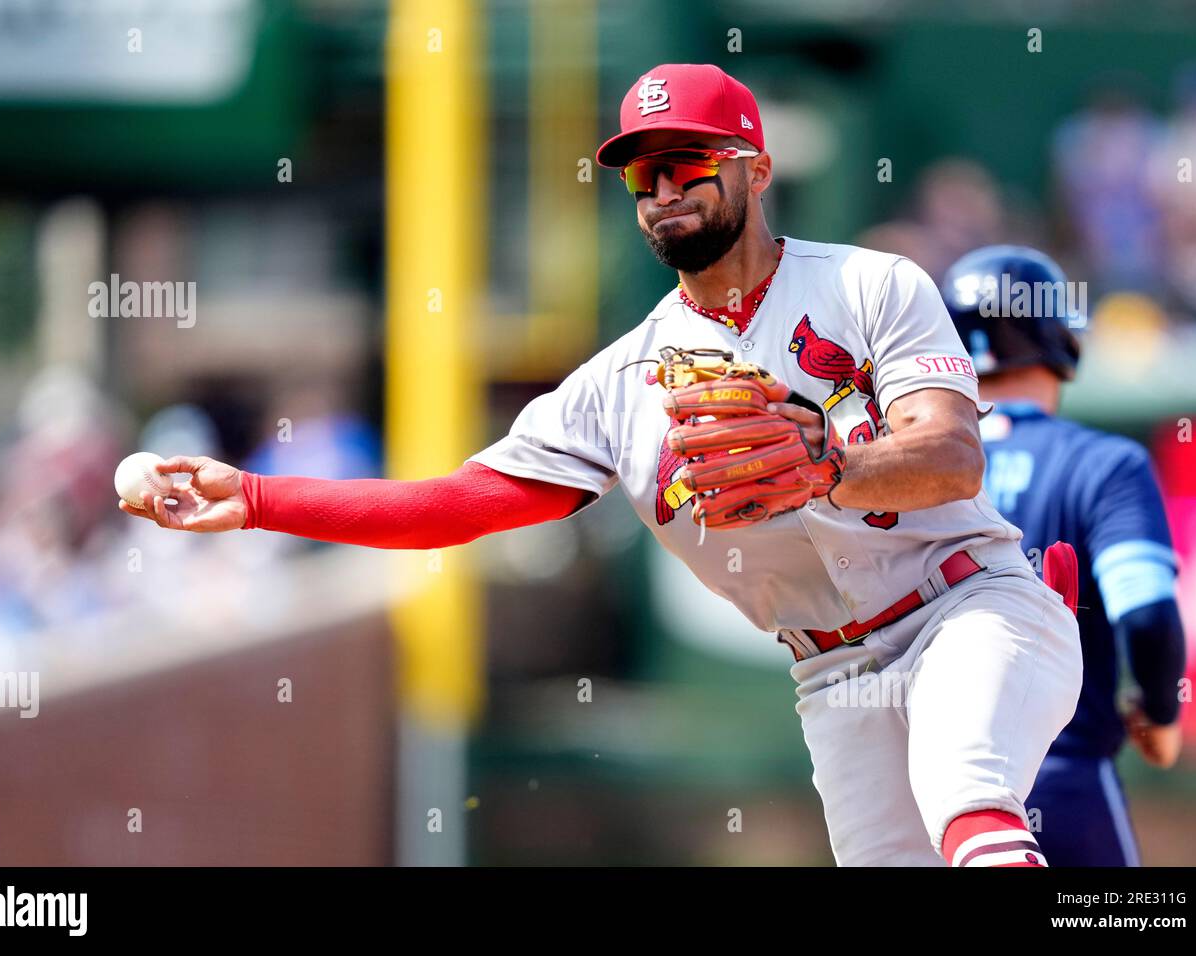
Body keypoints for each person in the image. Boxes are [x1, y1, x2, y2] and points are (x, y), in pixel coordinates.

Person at [120, 64, 1081, 867]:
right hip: (833, 675)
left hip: (969, 609)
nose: (662, 192)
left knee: (967, 796)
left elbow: (954, 459)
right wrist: (251, 498)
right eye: (641, 176)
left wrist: (828, 464)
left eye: (687, 165)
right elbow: (451, 505)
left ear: (755, 166)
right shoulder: (616, 385)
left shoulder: (872, 284)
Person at [942, 245, 1187, 866]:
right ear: (1059, 338)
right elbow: (1148, 613)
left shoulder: (901, 469)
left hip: (927, 796)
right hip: (1064, 780)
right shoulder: (1106, 464)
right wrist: (1159, 714)